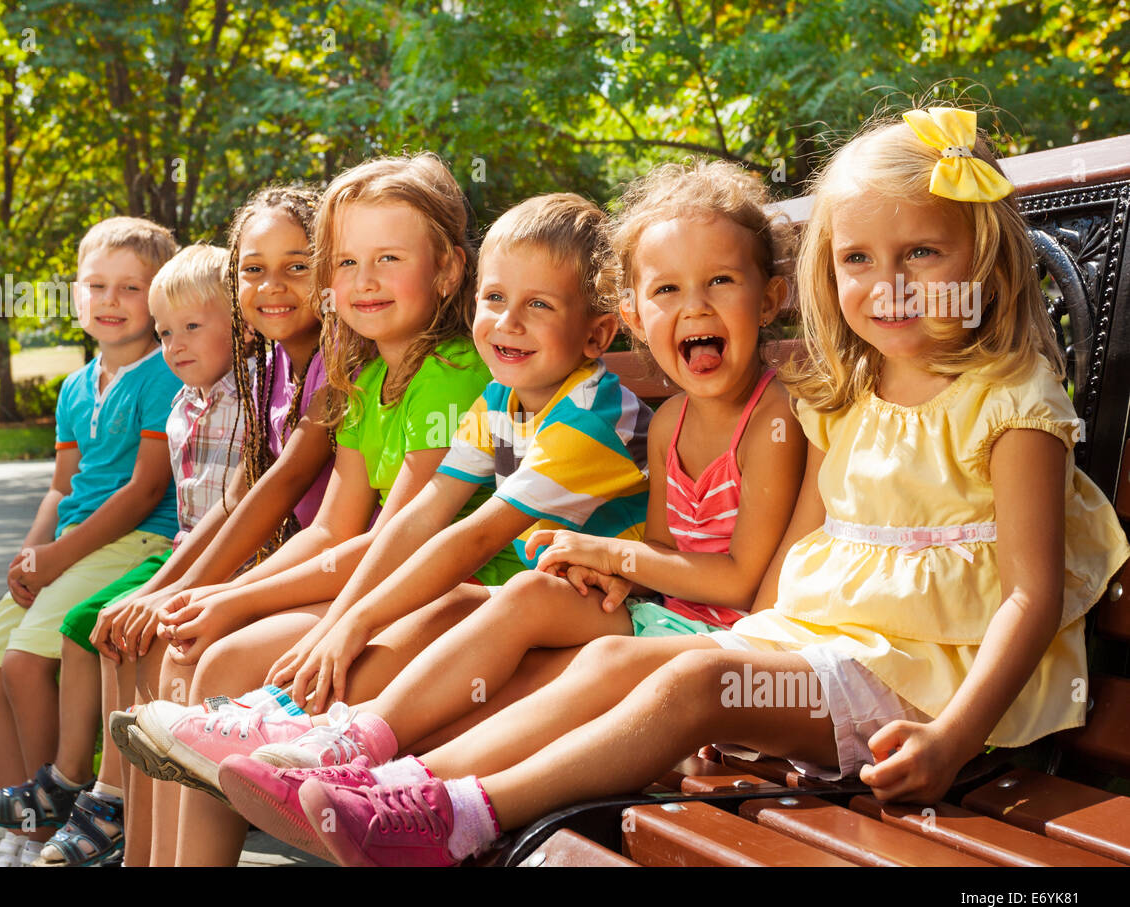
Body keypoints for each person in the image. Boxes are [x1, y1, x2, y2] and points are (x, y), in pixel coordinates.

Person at [294, 106, 1130, 866]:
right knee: (628, 657)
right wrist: (743, 669)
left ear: (978, 254)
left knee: (693, 682)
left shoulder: (1010, 401)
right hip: (825, 658)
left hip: (931, 691)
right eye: (856, 259)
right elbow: (792, 572)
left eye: (920, 252)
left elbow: (1031, 592)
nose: (888, 281)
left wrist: (951, 738)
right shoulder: (845, 400)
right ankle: (404, 786)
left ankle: (462, 818)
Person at [222, 159, 807, 861]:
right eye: (670, 289)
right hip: (646, 609)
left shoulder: (747, 418)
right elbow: (647, 548)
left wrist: (606, 558)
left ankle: (388, 778)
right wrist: (625, 572)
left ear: (770, 296)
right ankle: (356, 750)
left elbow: (739, 581)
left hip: (714, 640)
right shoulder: (661, 415)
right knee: (498, 598)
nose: (697, 306)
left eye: (720, 282)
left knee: (506, 599)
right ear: (633, 315)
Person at [115, 153, 501, 865]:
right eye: (348, 261)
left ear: (448, 270)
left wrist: (238, 602)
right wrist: (226, 593)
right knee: (191, 642)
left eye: (389, 258)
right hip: (383, 588)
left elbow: (402, 542)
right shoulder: (371, 377)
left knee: (222, 655)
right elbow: (331, 527)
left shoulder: (453, 375)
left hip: (440, 603)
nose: (365, 280)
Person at [74, 186, 337, 867]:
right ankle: (144, 855)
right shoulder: (275, 364)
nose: (272, 286)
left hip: (321, 571)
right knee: (146, 634)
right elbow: (245, 489)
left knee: (183, 649)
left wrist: (196, 593)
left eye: (297, 265)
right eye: (254, 269)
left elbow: (282, 486)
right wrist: (160, 586)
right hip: (296, 563)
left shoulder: (335, 361)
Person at [0, 217, 181, 866]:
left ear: (160, 297)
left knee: (25, 662)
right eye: (96, 286)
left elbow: (144, 491)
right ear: (76, 295)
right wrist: (32, 554)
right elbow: (62, 488)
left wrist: (60, 555)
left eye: (130, 288)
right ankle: (26, 826)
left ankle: (71, 808)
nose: (110, 300)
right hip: (72, 544)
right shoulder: (75, 385)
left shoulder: (163, 375)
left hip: (139, 538)